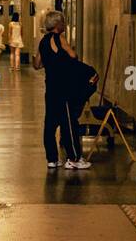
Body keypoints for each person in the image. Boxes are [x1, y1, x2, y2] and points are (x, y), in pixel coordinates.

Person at [33, 10, 92, 170]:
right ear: (57, 25)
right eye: (63, 22)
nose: (64, 25)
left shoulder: (43, 41)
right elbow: (73, 56)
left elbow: (37, 64)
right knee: (69, 123)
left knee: (50, 125)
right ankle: (74, 158)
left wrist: (51, 62)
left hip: (50, 88)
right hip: (64, 88)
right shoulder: (59, 38)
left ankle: (52, 159)